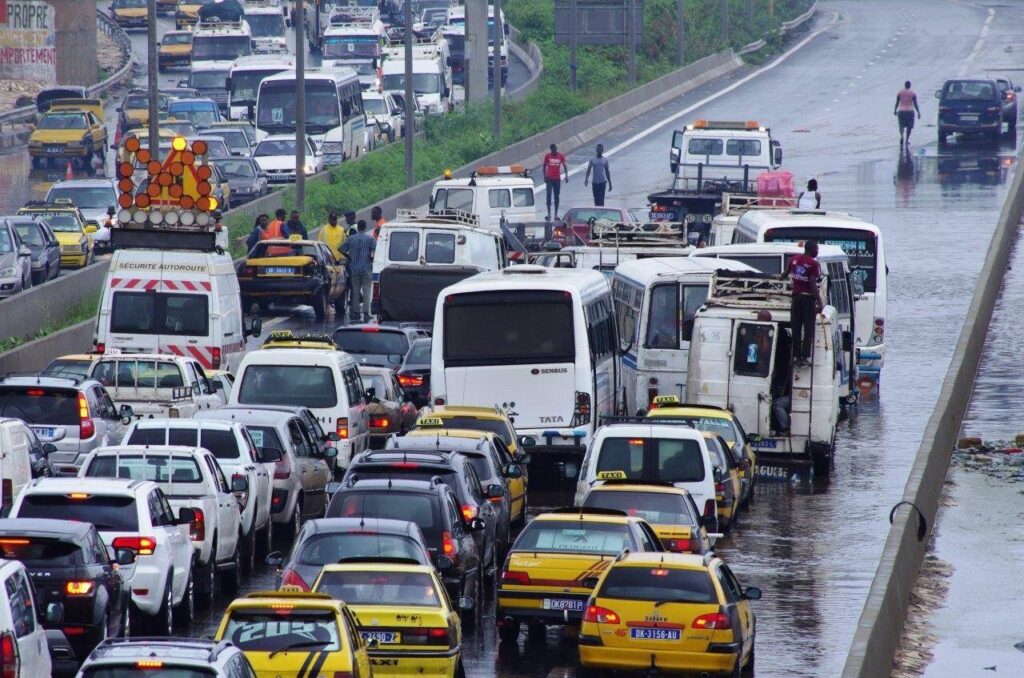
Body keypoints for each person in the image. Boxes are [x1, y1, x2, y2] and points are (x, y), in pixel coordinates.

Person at [782, 240, 823, 367]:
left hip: (796, 299)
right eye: (816, 249)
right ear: (811, 249)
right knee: (809, 329)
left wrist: (777, 279)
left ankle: (796, 356)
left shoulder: (794, 259)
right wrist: (819, 301)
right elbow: (812, 284)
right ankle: (804, 357)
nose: (817, 251)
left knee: (796, 328)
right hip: (807, 299)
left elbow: (784, 274)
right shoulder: (813, 264)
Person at [340, 219, 376, 323]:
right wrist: (370, 258)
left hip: (354, 268)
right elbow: (373, 252)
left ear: (357, 227)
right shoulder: (370, 239)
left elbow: (341, 248)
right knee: (367, 290)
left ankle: (356, 311)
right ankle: (365, 312)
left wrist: (349, 257)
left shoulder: (351, 239)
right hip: (366, 268)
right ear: (365, 227)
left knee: (355, 290)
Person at [542, 143, 568, 220]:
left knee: (556, 196)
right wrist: (544, 176)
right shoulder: (547, 156)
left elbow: (565, 166)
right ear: (551, 150)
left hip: (557, 179)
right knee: (548, 195)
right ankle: (549, 213)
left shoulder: (561, 156)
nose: (554, 151)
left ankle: (555, 214)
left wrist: (566, 176)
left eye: (555, 149)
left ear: (557, 148)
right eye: (552, 150)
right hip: (549, 179)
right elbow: (544, 166)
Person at [894, 80, 921, 149]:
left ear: (905, 85)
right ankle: (907, 139)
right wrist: (918, 112)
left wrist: (895, 110)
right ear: (910, 86)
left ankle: (902, 136)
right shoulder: (912, 93)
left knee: (901, 125)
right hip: (910, 111)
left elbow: (897, 102)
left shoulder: (900, 93)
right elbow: (915, 103)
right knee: (909, 126)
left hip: (901, 111)